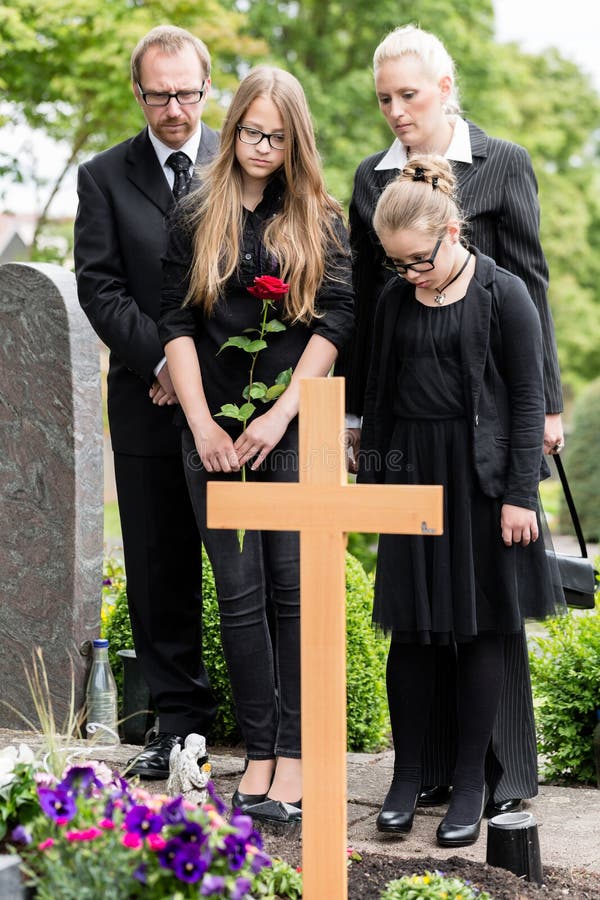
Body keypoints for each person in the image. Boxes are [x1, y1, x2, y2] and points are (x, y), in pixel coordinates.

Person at [336, 23, 565, 814]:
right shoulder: (374, 183)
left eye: (408, 93)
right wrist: (360, 420)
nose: (396, 110)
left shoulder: (502, 164)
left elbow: (530, 289)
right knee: (418, 621)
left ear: (444, 87)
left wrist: (549, 412)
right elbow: (373, 311)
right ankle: (420, 771)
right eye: (384, 98)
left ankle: (493, 780)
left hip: (493, 419)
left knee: (485, 621)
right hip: (412, 432)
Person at [157, 65, 354, 826]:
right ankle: (262, 753)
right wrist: (204, 424)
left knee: (292, 595)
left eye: (277, 135)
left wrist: (278, 418)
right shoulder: (195, 212)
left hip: (292, 430)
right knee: (238, 600)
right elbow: (175, 323)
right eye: (250, 132)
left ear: (295, 137)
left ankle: (301, 755)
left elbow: (336, 321)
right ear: (232, 125)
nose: (262, 147)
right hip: (210, 436)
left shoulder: (316, 215)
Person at [74, 25, 219, 778]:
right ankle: (177, 723)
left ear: (205, 86)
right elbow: (99, 286)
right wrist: (166, 357)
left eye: (188, 93)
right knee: (159, 570)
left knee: (246, 568)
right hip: (147, 404)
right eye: (160, 94)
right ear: (139, 92)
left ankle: (266, 729)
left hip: (234, 407)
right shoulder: (102, 177)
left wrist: (202, 366)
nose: (175, 108)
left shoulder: (244, 160)